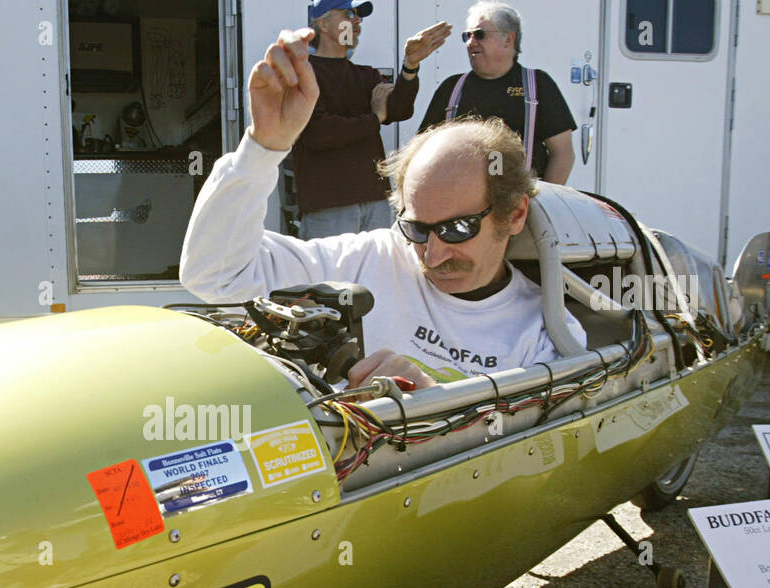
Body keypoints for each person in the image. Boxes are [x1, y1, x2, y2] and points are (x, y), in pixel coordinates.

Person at [179, 28, 585, 390]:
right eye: (418, 229)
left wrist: (430, 397)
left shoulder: (547, 332)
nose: (435, 255)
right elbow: (215, 276)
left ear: (514, 215)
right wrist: (263, 147)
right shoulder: (371, 259)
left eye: (459, 228)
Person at [293, 2, 452, 239]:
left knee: (374, 275)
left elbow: (399, 110)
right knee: (330, 276)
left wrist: (410, 66)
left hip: (375, 199)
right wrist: (375, 118)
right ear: (322, 23)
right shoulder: (302, 73)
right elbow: (318, 133)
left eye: (359, 16)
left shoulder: (365, 75)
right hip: (329, 203)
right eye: (348, 14)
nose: (357, 22)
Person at [417, 3, 575, 184]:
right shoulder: (452, 87)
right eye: (467, 36)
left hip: (521, 200)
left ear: (508, 39)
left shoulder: (537, 85)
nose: (471, 42)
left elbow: (563, 153)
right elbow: (423, 149)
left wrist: (545, 201)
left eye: (479, 35)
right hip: (461, 201)